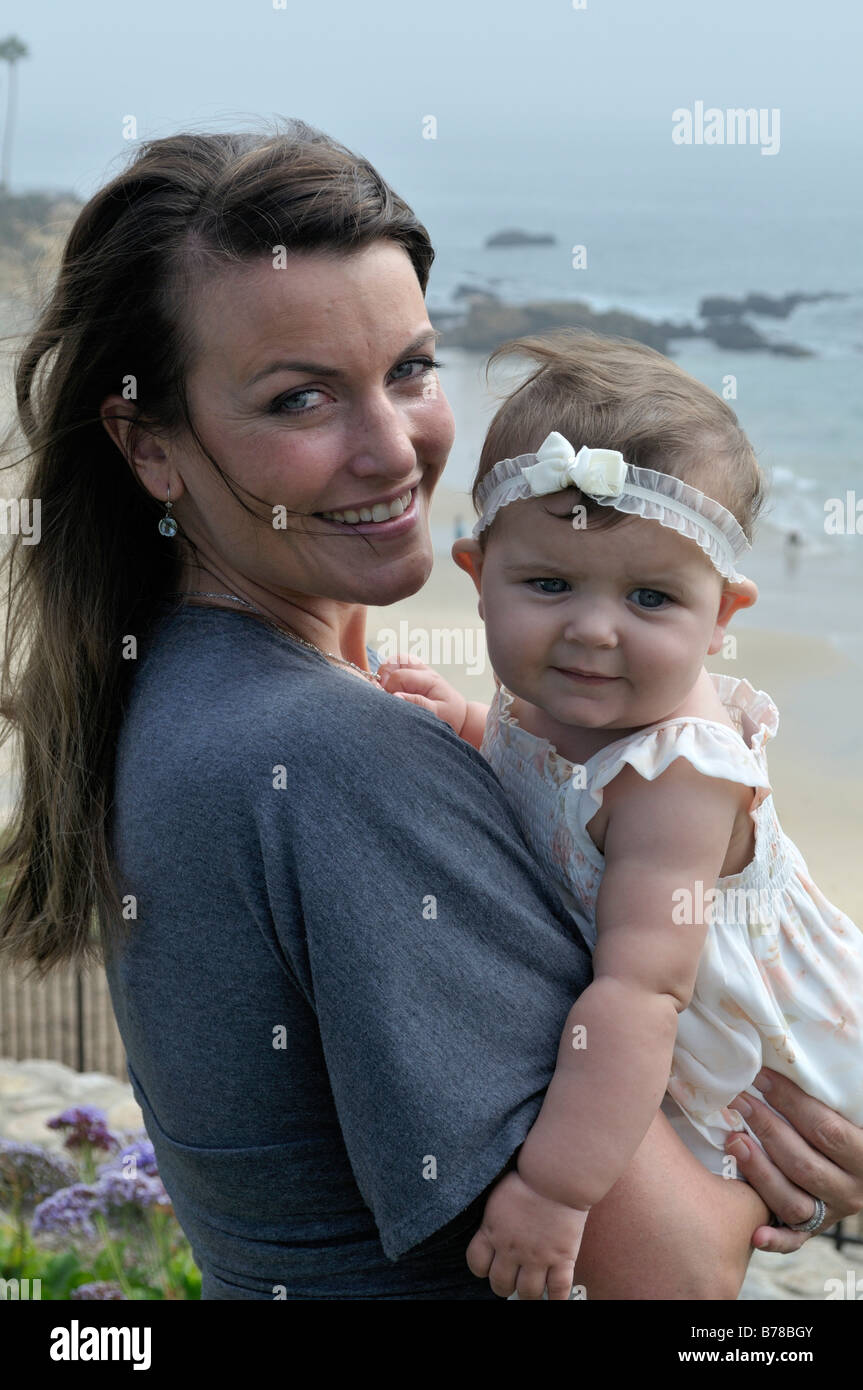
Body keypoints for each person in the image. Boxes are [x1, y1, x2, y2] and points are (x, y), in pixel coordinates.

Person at [1, 123, 863, 1302]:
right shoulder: (332, 756)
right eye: (301, 397)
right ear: (151, 444)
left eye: (408, 368)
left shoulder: (176, 692)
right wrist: (783, 1180)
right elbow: (668, 1279)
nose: (392, 448)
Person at [385, 331, 863, 1297]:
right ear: (477, 577)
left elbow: (640, 998)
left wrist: (559, 1193)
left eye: (651, 596)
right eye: (550, 584)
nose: (593, 630)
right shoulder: (554, 705)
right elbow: (546, 776)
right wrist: (467, 722)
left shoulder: (675, 779)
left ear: (723, 613)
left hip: (785, 1060)